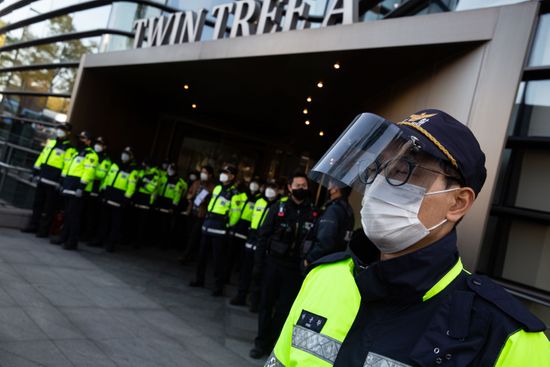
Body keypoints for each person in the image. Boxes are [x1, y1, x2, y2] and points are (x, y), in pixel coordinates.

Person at [266, 110, 550, 366]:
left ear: (457, 203)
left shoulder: (507, 337)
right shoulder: (325, 277)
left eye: (404, 171)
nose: (378, 185)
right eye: (377, 169)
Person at [250, 172, 318, 359]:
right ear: (289, 187)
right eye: (298, 185)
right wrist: (258, 265)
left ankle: (273, 343)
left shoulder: (312, 212)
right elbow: (263, 237)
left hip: (294, 269)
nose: (301, 189)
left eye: (304, 185)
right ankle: (260, 343)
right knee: (266, 305)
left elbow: (315, 240)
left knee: (284, 310)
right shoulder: (277, 208)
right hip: (273, 264)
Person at [190, 164, 241, 296]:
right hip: (208, 224)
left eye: (226, 172)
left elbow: (235, 214)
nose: (223, 174)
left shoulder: (235, 193)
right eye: (222, 172)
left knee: (218, 260)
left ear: (232, 176)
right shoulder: (217, 188)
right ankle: (199, 279)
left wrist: (228, 226)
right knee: (201, 256)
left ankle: (218, 286)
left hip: (220, 229)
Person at [230, 181, 279, 309]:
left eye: (273, 188)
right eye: (268, 187)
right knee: (245, 269)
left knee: (259, 273)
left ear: (278, 190)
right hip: (252, 238)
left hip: (264, 241)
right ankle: (241, 295)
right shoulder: (259, 202)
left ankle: (255, 300)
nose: (270, 190)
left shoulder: (278, 206)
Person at [22, 123, 76, 237]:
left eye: (63, 130)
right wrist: (35, 171)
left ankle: (44, 230)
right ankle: (33, 226)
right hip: (42, 177)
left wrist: (61, 180)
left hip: (54, 182)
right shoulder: (51, 142)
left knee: (50, 207)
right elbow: (42, 157)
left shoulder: (69, 148)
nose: (59, 131)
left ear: (68, 133)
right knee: (37, 204)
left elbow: (67, 166)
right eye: (59, 129)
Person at [50, 131, 98, 250]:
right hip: (69, 187)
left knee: (74, 216)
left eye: (83, 138)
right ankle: (63, 238)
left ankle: (72, 242)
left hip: (78, 190)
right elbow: (68, 169)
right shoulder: (77, 153)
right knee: (67, 214)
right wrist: (63, 183)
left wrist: (81, 187)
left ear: (89, 141)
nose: (80, 139)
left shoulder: (91, 155)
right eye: (79, 137)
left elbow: (89, 172)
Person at [91, 146, 139, 252]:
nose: (124, 155)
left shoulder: (133, 171)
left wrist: (126, 200)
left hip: (119, 199)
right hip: (108, 195)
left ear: (131, 157)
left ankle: (110, 243)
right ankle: (99, 239)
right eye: (124, 153)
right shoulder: (114, 165)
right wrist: (102, 190)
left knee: (115, 223)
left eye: (127, 154)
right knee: (103, 220)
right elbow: (107, 179)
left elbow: (131, 188)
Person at [303, 181, 354, 265]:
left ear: (336, 188)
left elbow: (325, 239)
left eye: (330, 183)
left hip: (321, 261)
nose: (328, 187)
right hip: (335, 260)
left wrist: (310, 259)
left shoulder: (334, 209)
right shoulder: (348, 210)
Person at [225, 177, 263, 284]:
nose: (254, 185)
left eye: (256, 183)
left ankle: (240, 279)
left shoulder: (260, 200)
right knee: (229, 256)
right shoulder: (241, 196)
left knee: (243, 259)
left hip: (248, 232)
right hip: (236, 229)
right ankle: (225, 276)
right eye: (253, 183)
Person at [179, 165, 215, 264]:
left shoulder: (213, 187)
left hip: (201, 214)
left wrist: (206, 201)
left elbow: (212, 201)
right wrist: (189, 196)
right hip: (192, 211)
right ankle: (190, 254)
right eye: (202, 172)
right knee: (189, 234)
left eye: (205, 172)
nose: (203, 174)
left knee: (194, 236)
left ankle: (186, 256)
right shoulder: (196, 183)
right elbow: (189, 193)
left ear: (210, 175)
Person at [81, 136, 111, 241]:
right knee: (81, 211)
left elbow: (101, 175)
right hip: (84, 186)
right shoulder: (89, 153)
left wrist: (90, 170)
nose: (97, 145)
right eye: (97, 143)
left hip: (94, 189)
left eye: (100, 144)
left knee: (90, 214)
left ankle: (87, 235)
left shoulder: (105, 160)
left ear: (105, 147)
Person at [154, 162, 188, 248]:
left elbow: (177, 195)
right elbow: (156, 189)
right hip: (160, 201)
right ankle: (154, 240)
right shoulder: (162, 178)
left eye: (172, 169)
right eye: (169, 168)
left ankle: (163, 243)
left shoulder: (178, 182)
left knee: (166, 225)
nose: (170, 171)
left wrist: (173, 206)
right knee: (157, 222)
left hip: (169, 205)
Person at [131, 158, 160, 247]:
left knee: (142, 223)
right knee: (133, 220)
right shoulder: (142, 171)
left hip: (147, 200)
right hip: (138, 197)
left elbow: (152, 187)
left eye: (145, 164)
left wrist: (142, 184)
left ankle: (138, 241)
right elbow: (135, 180)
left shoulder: (155, 175)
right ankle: (131, 238)